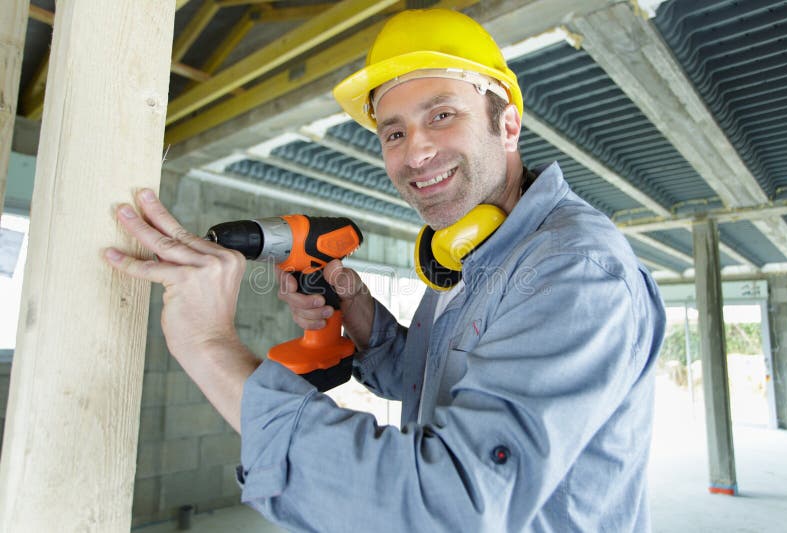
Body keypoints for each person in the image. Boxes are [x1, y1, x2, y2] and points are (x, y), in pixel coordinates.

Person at [106, 8, 666, 532]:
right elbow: (432, 386)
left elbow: (446, 505)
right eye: (393, 133)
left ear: (509, 125)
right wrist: (367, 321)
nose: (414, 153)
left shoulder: (574, 270)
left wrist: (210, 346)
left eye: (442, 116)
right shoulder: (470, 251)